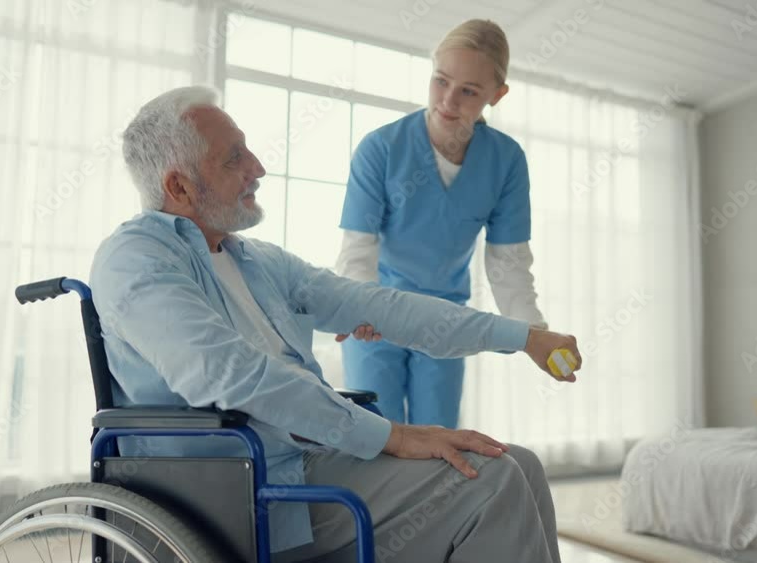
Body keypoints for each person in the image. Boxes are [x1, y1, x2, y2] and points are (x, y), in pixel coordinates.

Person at [90, 85, 581, 562]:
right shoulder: (135, 259)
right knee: (490, 482)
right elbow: (226, 373)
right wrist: (395, 435)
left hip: (302, 461)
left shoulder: (252, 260)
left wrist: (524, 337)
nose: (257, 167)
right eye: (234, 157)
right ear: (178, 187)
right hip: (239, 488)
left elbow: (379, 305)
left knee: (520, 464)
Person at [337, 19, 547, 429]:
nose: (448, 101)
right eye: (441, 81)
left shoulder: (506, 161)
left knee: (438, 439)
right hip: (375, 314)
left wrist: (534, 332)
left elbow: (508, 263)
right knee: (377, 437)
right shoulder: (381, 148)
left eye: (469, 91)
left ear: (497, 94)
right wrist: (357, 309)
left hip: (446, 323)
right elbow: (357, 251)